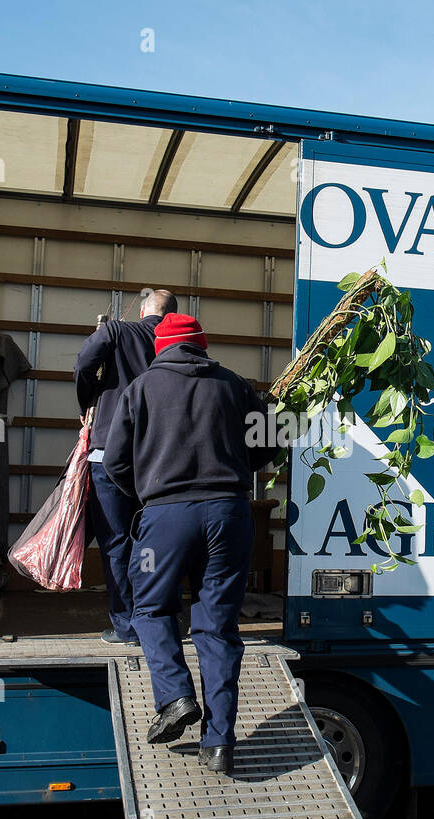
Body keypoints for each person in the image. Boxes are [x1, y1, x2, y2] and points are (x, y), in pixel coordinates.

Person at [105, 313, 279, 773]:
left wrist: (148, 494)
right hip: (230, 513)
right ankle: (219, 742)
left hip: (165, 516)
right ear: (201, 345)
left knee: (150, 608)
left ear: (160, 347)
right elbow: (270, 446)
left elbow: (115, 463)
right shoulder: (235, 385)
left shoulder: (140, 388)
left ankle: (176, 695)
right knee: (217, 628)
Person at [72, 289, 178, 644]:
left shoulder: (117, 331)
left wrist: (90, 398)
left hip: (109, 456)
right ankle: (165, 621)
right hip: (159, 459)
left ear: (144, 309)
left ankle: (127, 627)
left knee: (117, 541)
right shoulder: (176, 343)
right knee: (161, 542)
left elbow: (85, 362)